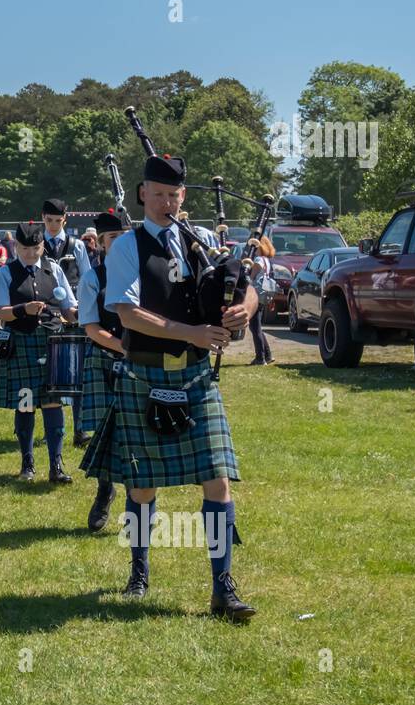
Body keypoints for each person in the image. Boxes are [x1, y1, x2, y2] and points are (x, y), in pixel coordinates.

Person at [80, 151, 257, 620]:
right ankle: (139, 572)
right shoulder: (126, 248)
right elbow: (126, 312)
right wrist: (191, 333)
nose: (166, 203)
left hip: (196, 377)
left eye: (174, 195)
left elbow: (244, 282)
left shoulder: (199, 239)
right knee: (142, 486)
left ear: (183, 195)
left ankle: (223, 586)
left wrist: (247, 308)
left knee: (217, 481)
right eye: (157, 195)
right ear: (142, 194)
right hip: (147, 372)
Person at [0, 221, 79, 482]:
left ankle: (56, 465)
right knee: (26, 404)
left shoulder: (54, 269)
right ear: (16, 246)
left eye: (36, 248)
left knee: (54, 404)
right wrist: (23, 310)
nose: (31, 254)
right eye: (26, 248)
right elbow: (1, 311)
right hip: (23, 342)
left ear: (42, 246)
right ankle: (27, 463)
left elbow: (67, 307)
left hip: (52, 342)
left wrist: (79, 315)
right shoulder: (6, 273)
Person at [77, 212, 128, 530]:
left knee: (140, 433)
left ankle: (140, 504)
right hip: (105, 357)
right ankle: (105, 491)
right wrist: (125, 348)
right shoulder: (93, 278)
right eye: (113, 239)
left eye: (125, 237)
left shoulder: (147, 274)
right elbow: (92, 328)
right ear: (103, 244)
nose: (120, 244)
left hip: (142, 362)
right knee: (108, 437)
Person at [40, 198, 93, 447]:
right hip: (48, 315)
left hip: (74, 314)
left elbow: (86, 278)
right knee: (50, 374)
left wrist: (82, 308)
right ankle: (52, 428)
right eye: (49, 221)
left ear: (65, 220)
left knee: (79, 372)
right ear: (43, 218)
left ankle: (80, 428)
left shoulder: (77, 245)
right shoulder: (37, 245)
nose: (52, 225)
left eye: (57, 221)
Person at [248, 235, 275, 365]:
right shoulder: (267, 260)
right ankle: (268, 355)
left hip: (256, 295)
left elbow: (251, 278)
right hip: (263, 295)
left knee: (255, 327)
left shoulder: (258, 259)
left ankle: (260, 357)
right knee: (257, 327)